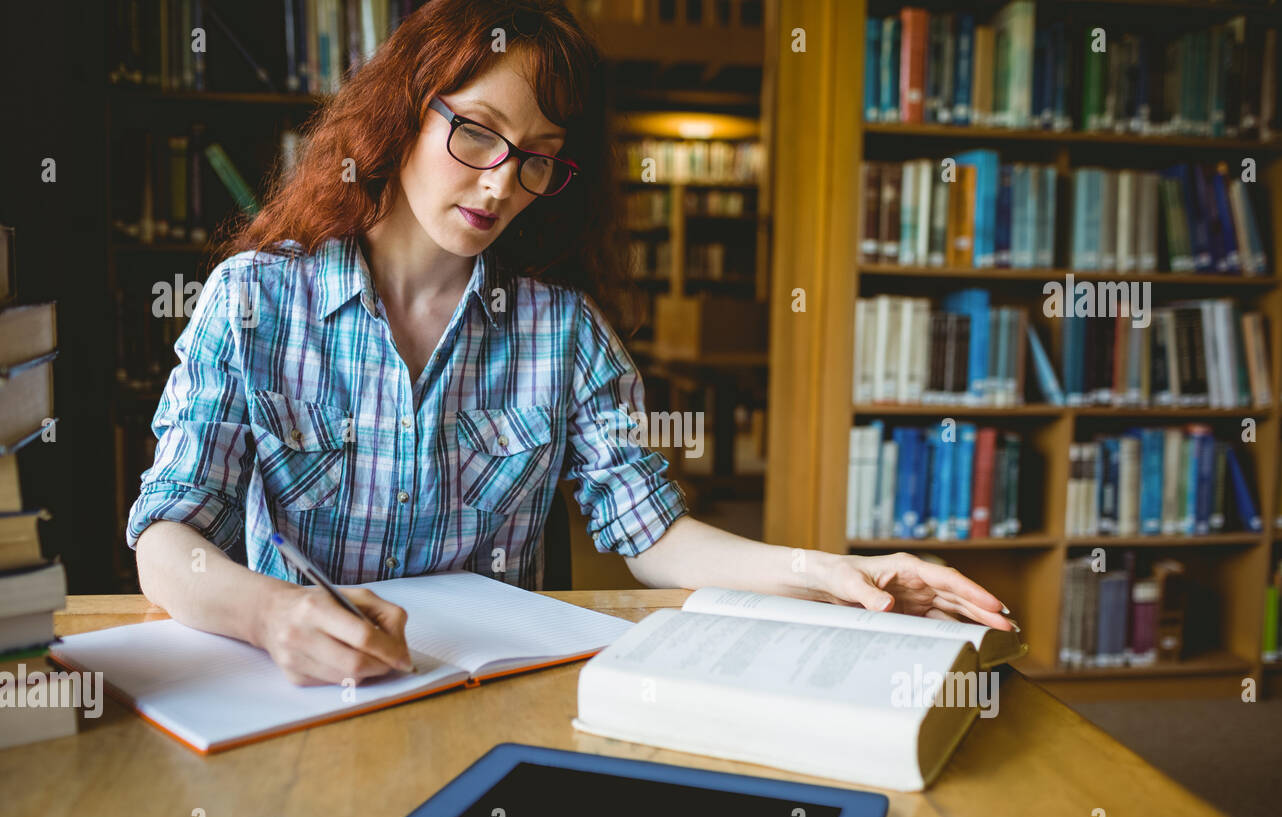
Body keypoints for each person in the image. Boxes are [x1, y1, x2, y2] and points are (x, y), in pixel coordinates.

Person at [130, 0, 1015, 687]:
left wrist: (830, 574)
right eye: (475, 131)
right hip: (292, 691)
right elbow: (169, 536)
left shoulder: (561, 333)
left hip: (481, 696)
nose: (500, 183)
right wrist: (273, 616)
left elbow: (651, 535)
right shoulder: (255, 301)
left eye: (537, 157)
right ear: (404, 111)